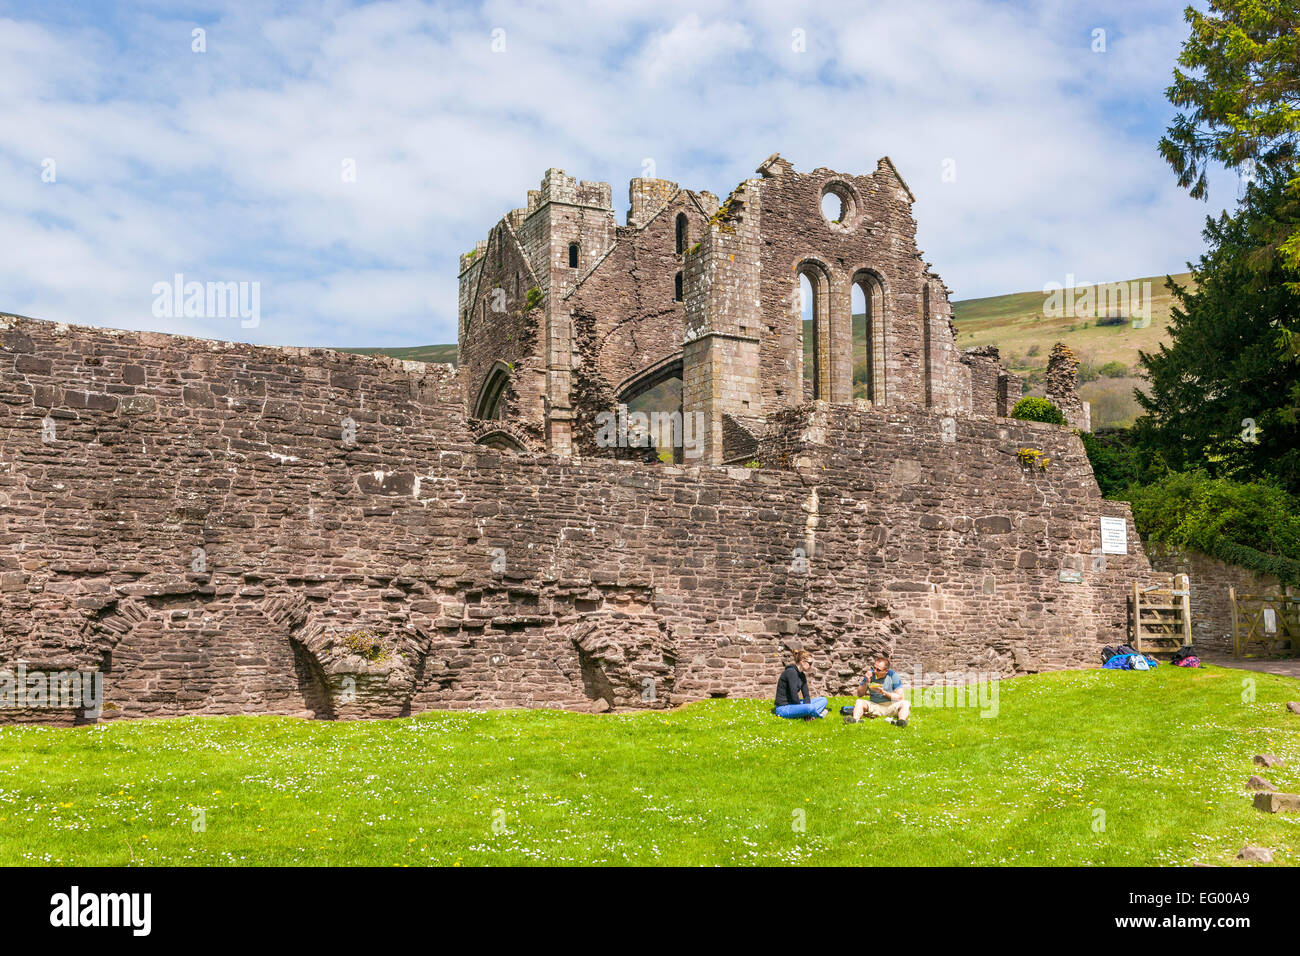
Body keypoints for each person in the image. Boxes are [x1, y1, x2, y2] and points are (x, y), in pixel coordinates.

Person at [845, 653, 909, 728]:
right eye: (873, 668)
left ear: (886, 671)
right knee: (859, 702)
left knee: (905, 703)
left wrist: (883, 692)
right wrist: (867, 681)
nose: (874, 671)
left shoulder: (892, 675)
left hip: (890, 705)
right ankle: (855, 720)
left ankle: (901, 721)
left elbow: (900, 697)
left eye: (878, 670)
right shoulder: (870, 675)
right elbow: (860, 694)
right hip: (874, 705)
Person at [772, 648, 828, 719]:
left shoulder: (802, 675)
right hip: (783, 708)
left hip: (793, 704)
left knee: (823, 700)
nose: (811, 666)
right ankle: (816, 714)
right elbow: (794, 694)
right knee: (810, 707)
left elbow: (806, 695)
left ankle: (811, 713)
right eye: (810, 663)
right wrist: (803, 709)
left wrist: (803, 708)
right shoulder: (791, 672)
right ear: (802, 662)